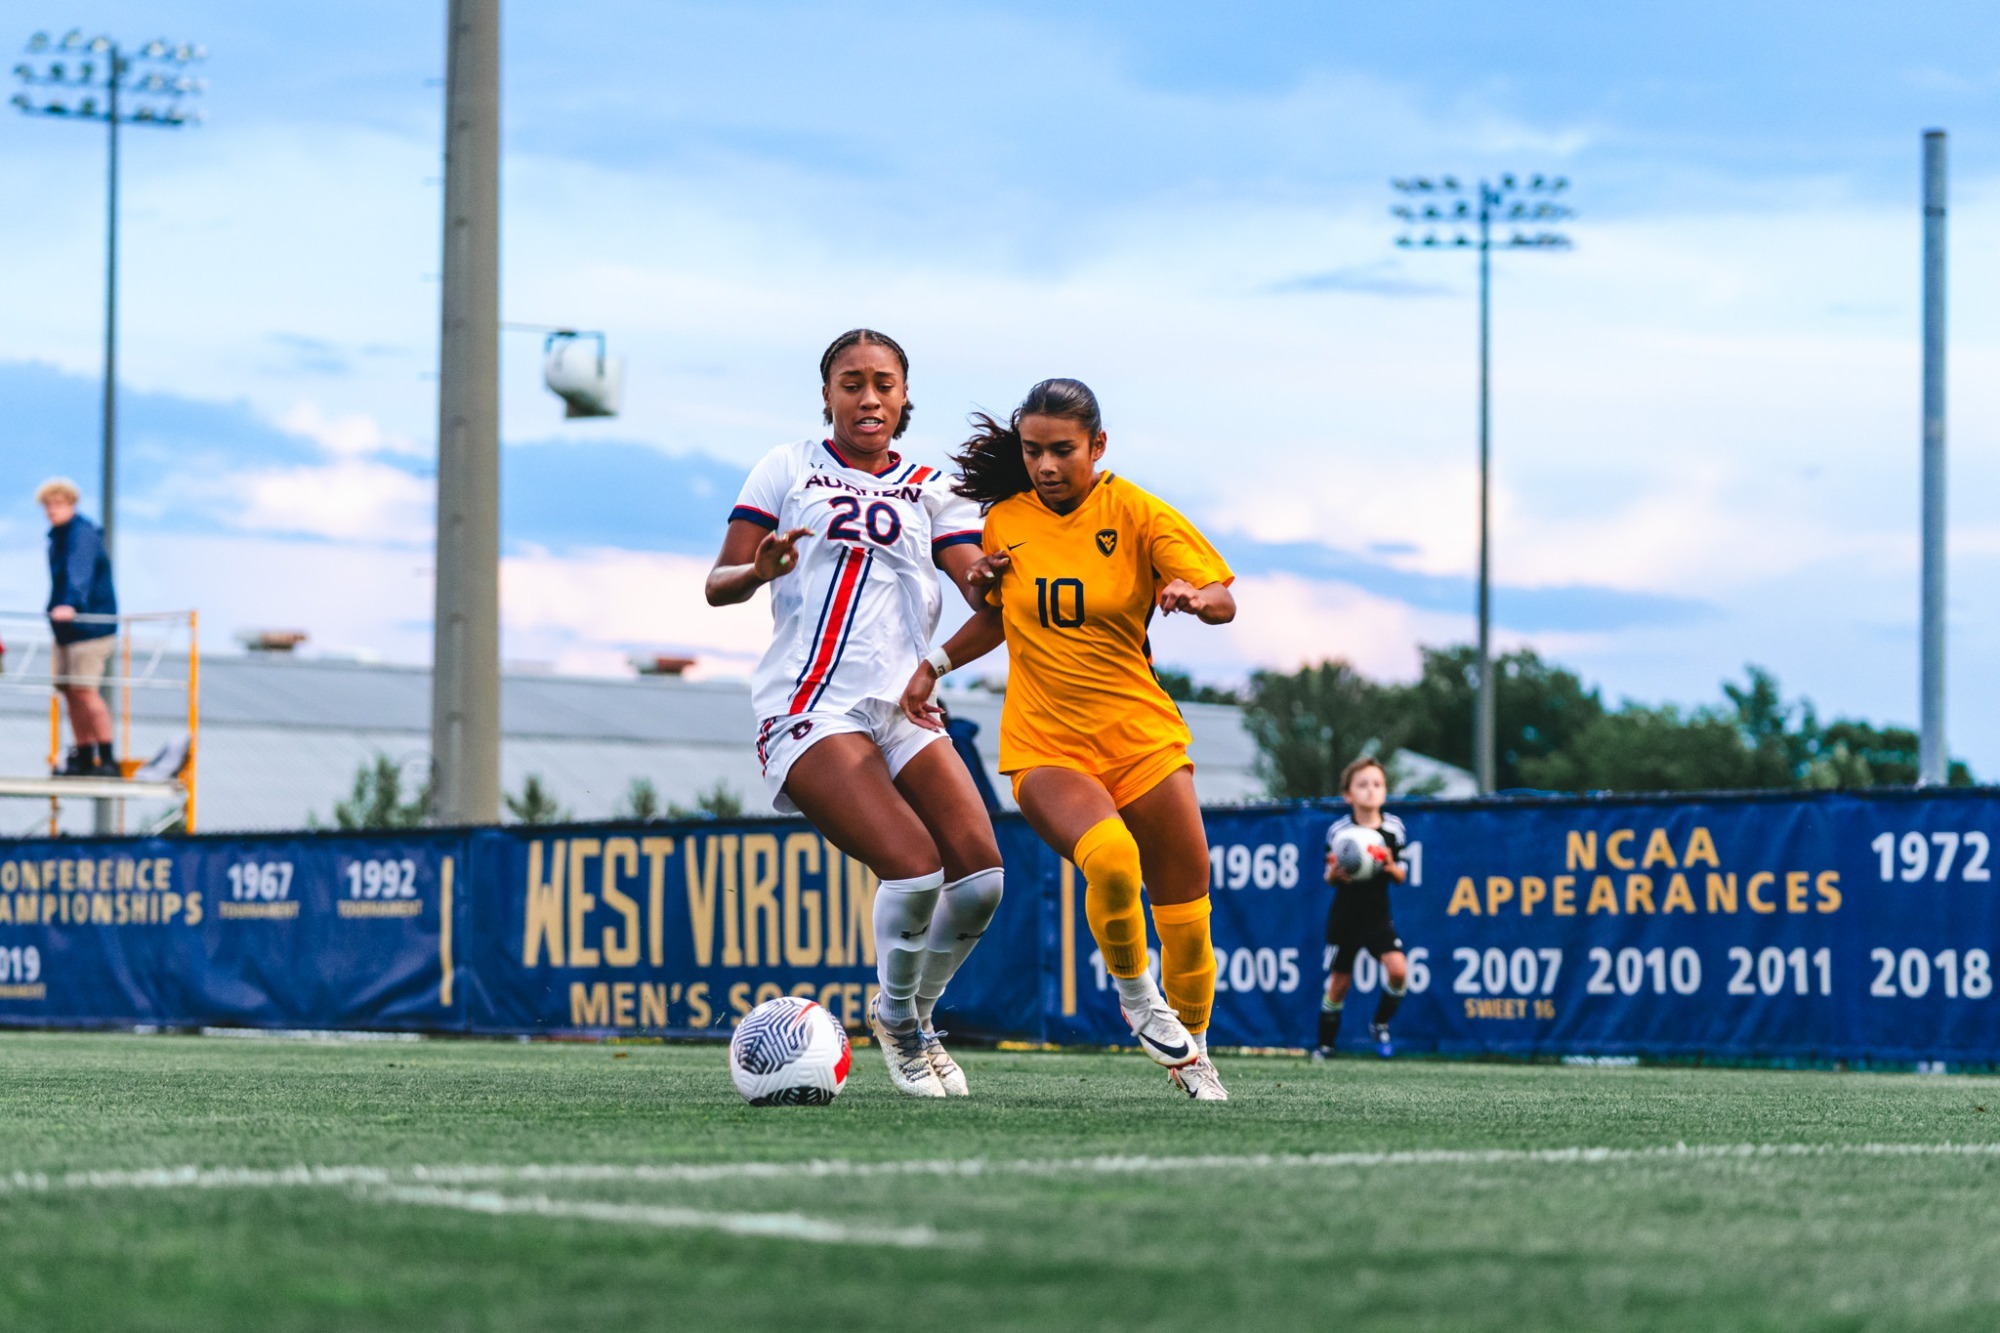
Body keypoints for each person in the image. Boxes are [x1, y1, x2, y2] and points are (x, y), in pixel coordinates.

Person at [901, 378, 1237, 1101]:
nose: (1046, 465)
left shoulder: (1137, 512)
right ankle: (1138, 1000)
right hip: (1047, 744)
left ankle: (1194, 1052)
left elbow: (1222, 600)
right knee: (1111, 860)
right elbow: (1000, 615)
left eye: (1062, 450)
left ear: (1098, 445)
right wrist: (934, 664)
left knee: (1186, 912)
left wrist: (1191, 596)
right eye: (1032, 451)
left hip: (1142, 739)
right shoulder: (1006, 520)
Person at [705, 329, 1003, 1099]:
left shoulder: (935, 487)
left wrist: (992, 576)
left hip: (903, 704)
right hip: (809, 703)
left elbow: (975, 581)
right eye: (851, 382)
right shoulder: (788, 466)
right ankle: (898, 1024)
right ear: (827, 393)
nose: (868, 397)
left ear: (904, 396)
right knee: (916, 865)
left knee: (981, 879)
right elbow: (719, 582)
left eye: (883, 383)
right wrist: (758, 568)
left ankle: (913, 1011)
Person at [1316, 756, 1411, 1060]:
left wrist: (1389, 866)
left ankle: (1380, 1023)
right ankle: (1325, 1046)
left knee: (1398, 970)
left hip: (1377, 914)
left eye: (1377, 784)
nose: (1371, 790)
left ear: (1385, 791)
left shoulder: (1393, 829)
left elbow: (1401, 875)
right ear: (1348, 794)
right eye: (1362, 784)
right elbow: (1329, 875)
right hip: (1345, 915)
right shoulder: (1339, 831)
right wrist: (1334, 875)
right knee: (1339, 983)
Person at [39, 478, 120, 777]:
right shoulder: (57, 538)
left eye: (58, 504)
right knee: (70, 692)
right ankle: (84, 756)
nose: (52, 510)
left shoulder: (80, 534)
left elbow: (79, 573)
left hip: (89, 627)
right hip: (66, 630)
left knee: (85, 690)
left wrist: (71, 604)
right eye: (48, 505)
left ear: (71, 504)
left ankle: (107, 759)